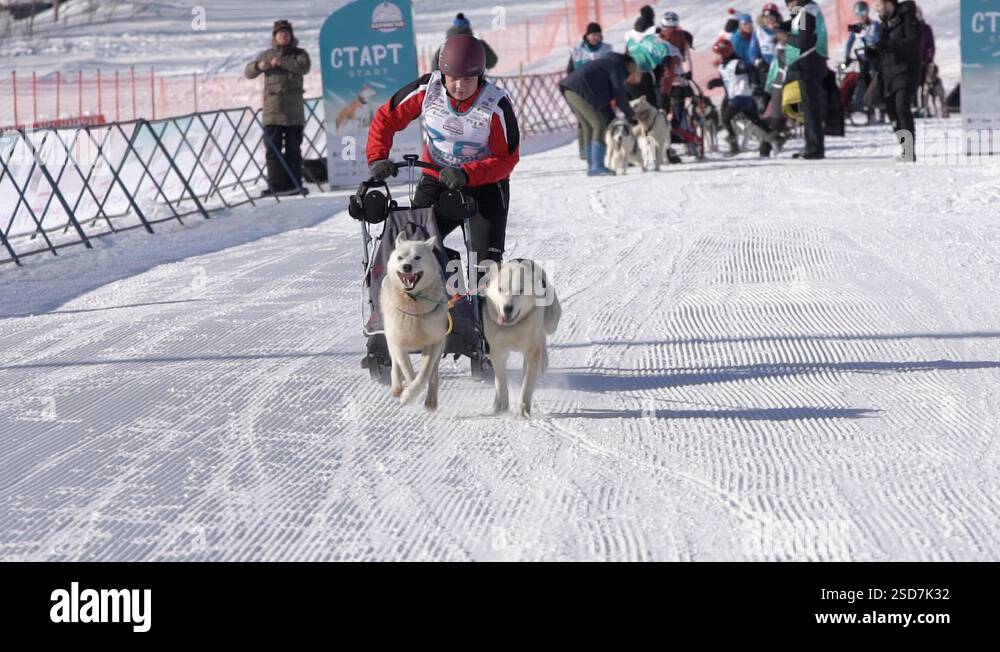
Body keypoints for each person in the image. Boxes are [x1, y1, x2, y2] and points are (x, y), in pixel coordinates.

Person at [367, 34, 520, 265]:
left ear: (480, 76)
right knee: (414, 250)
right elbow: (386, 118)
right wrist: (378, 157)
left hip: (485, 187)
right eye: (454, 78)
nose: (460, 86)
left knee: (485, 266)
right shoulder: (427, 89)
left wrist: (467, 173)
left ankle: (482, 295)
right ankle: (449, 281)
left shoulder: (496, 106)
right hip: (436, 179)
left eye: (468, 79)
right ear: (442, 73)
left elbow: (506, 159)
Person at [244, 20, 311, 195]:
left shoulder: (299, 54)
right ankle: (275, 185)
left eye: (286, 33)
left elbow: (304, 67)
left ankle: (294, 184)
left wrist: (281, 62)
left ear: (291, 36)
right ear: (274, 36)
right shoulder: (266, 55)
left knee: (293, 150)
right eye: (280, 33)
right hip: (272, 112)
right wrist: (259, 66)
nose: (283, 36)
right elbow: (248, 72)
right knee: (272, 151)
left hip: (294, 113)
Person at [559, 52, 640, 176]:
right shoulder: (617, 67)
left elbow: (605, 91)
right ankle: (597, 166)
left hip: (570, 88)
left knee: (588, 126)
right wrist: (630, 113)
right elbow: (619, 92)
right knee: (599, 124)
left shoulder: (607, 63)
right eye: (633, 69)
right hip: (579, 90)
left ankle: (592, 166)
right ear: (628, 64)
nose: (632, 73)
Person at [867, 0, 921, 161]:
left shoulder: (908, 18)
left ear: (889, 4)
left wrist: (889, 44)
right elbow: (885, 48)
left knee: (901, 107)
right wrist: (875, 52)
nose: (876, 9)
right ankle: (904, 146)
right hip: (888, 73)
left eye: (879, 5)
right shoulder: (886, 23)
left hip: (907, 70)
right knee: (892, 112)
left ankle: (909, 152)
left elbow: (912, 42)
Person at [707, 38, 780, 156]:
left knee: (725, 119)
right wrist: (715, 83)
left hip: (739, 97)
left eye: (718, 54)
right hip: (745, 100)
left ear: (723, 54)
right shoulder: (723, 67)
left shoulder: (736, 63)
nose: (716, 57)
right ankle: (776, 137)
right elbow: (728, 81)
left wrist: (756, 84)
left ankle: (734, 145)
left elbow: (752, 69)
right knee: (756, 120)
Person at [783, 0, 829, 160]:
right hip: (812, 64)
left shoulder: (805, 11)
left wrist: (786, 38)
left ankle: (815, 147)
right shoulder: (807, 10)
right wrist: (783, 26)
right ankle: (811, 145)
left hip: (809, 65)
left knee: (810, 107)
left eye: (788, 3)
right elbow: (800, 28)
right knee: (809, 107)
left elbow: (803, 39)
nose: (788, 7)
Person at [567, 22, 614, 160]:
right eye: (593, 35)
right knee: (584, 123)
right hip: (581, 91)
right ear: (587, 36)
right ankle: (585, 151)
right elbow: (570, 71)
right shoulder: (577, 51)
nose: (596, 38)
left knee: (605, 119)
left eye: (598, 35)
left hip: (601, 91)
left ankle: (605, 147)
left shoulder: (606, 49)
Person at [843, 1, 881, 122]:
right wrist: (847, 57)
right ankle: (862, 107)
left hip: (873, 58)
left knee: (874, 80)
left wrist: (872, 43)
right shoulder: (856, 28)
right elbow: (849, 43)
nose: (861, 16)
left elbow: (879, 39)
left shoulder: (875, 25)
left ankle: (877, 109)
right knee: (861, 81)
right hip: (861, 59)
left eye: (863, 13)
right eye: (858, 14)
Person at [761, 24, 792, 157]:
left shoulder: (790, 49)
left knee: (776, 120)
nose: (779, 36)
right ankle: (767, 148)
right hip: (776, 87)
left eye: (781, 33)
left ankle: (770, 144)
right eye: (778, 33)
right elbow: (774, 69)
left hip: (786, 88)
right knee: (770, 119)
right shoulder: (778, 49)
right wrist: (768, 85)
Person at [432, 13, 499, 73]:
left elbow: (435, 67)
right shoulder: (478, 45)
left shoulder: (445, 46)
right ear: (469, 28)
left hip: (449, 84)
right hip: (473, 83)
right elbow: (492, 62)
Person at [624, 5, 660, 106]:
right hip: (643, 76)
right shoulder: (650, 37)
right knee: (650, 106)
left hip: (631, 77)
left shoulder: (632, 39)